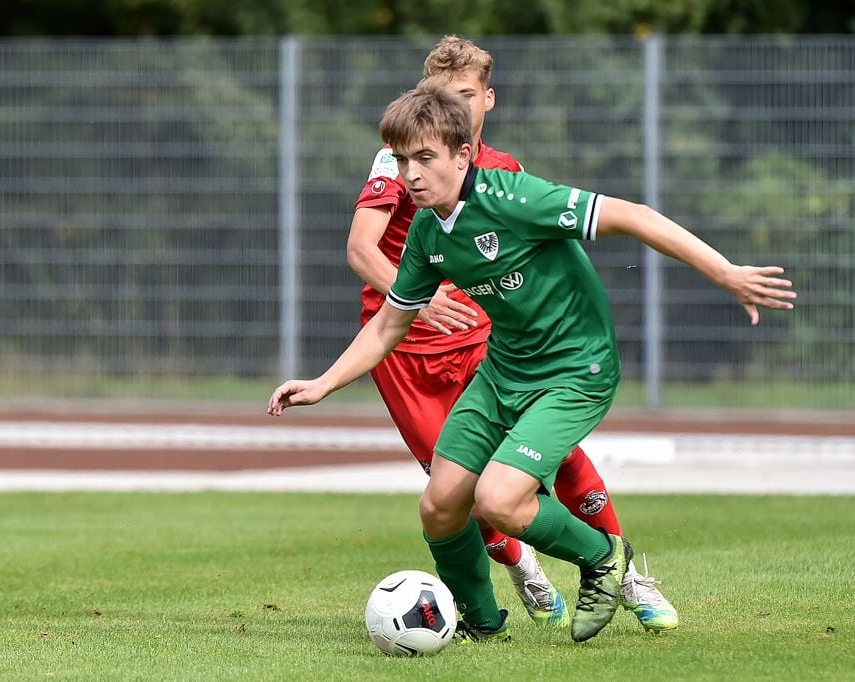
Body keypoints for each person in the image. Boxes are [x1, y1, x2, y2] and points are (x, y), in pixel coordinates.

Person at [270, 79, 795, 643]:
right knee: (440, 506)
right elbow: (392, 323)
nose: (411, 174)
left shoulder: (514, 198)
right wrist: (323, 384)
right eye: (402, 161)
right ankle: (482, 622)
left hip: (575, 372)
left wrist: (727, 273)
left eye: (424, 158)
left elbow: (636, 215)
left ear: (463, 153)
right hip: (504, 372)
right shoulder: (426, 230)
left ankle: (603, 557)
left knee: (498, 500)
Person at [347, 35, 677, 633]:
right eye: (441, 96)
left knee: (550, 462)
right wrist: (415, 306)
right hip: (407, 351)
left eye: (466, 96)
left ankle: (621, 572)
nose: (454, 106)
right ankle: (515, 571)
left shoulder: (508, 176)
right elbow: (361, 248)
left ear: (488, 101)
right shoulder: (400, 161)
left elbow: (559, 253)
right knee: (449, 497)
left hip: (485, 342)